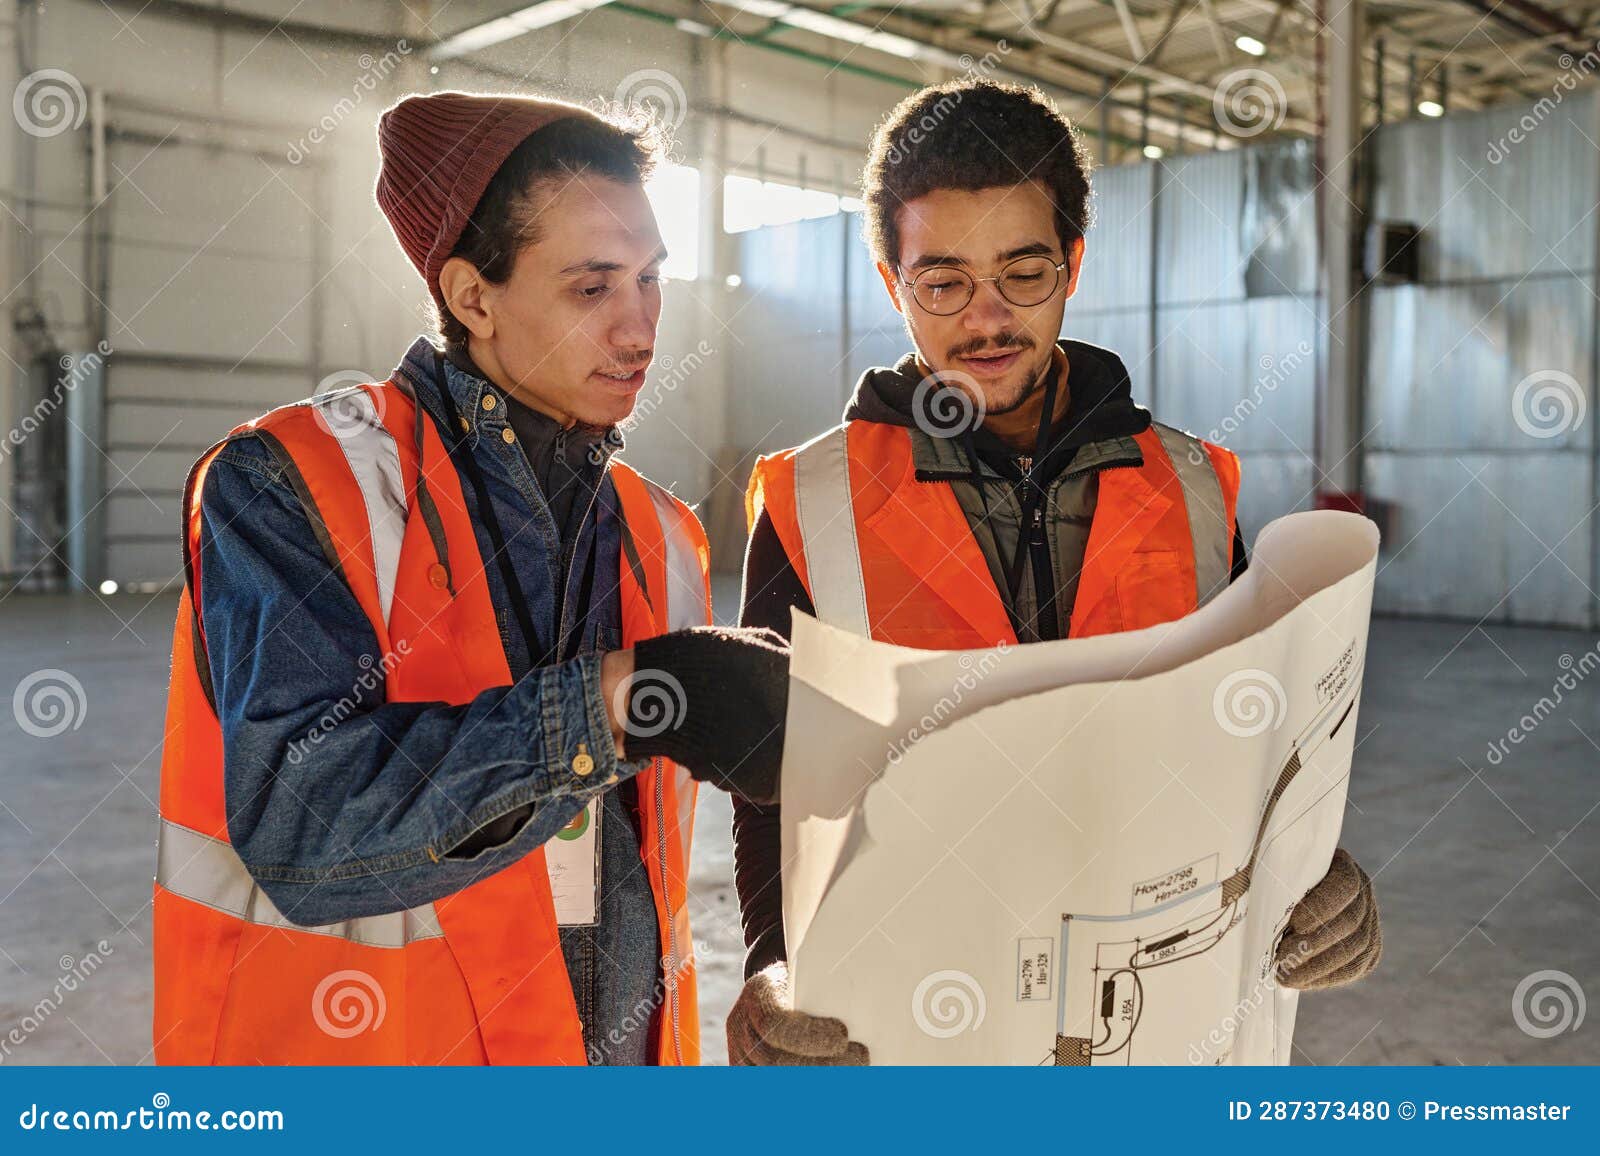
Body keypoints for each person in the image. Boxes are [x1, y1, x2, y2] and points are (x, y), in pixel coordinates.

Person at [726, 79, 1381, 1066]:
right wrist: (772, 970)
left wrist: (1321, 887)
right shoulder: (811, 501)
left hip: (1156, 1035)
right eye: (942, 281)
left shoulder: (1193, 486)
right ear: (888, 277)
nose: (986, 320)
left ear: (1073, 262)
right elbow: (770, 784)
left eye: (1022, 272)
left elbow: (1262, 745)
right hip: (919, 1034)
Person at [152, 91, 788, 1066]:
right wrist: (620, 702)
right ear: (471, 294)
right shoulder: (297, 483)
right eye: (593, 288)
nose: (640, 329)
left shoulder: (662, 534)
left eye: (652, 280)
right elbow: (303, 824)